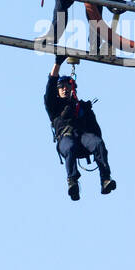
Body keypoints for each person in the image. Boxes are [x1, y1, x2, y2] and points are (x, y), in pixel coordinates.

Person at [45, 57, 116, 201]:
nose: (64, 89)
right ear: (57, 90)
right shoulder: (53, 106)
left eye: (67, 86)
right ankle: (73, 182)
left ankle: (105, 179)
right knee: (70, 147)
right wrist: (57, 63)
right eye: (61, 87)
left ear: (72, 88)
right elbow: (50, 84)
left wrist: (96, 139)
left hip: (84, 137)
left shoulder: (81, 107)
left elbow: (96, 129)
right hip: (66, 138)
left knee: (98, 144)